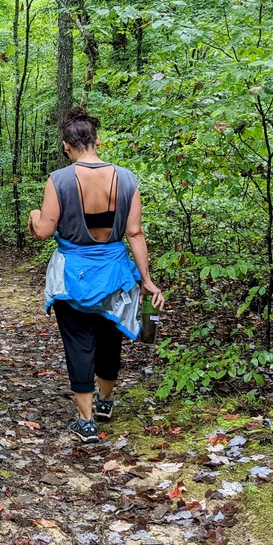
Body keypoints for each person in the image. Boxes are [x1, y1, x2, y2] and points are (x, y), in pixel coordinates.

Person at [27, 108, 165, 444]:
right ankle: (105, 403)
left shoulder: (58, 180)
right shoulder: (128, 179)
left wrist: (33, 216)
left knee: (78, 341)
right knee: (109, 337)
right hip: (115, 273)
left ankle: (86, 421)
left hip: (73, 274)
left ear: (66, 146)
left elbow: (43, 231)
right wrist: (146, 279)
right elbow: (134, 232)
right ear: (97, 141)